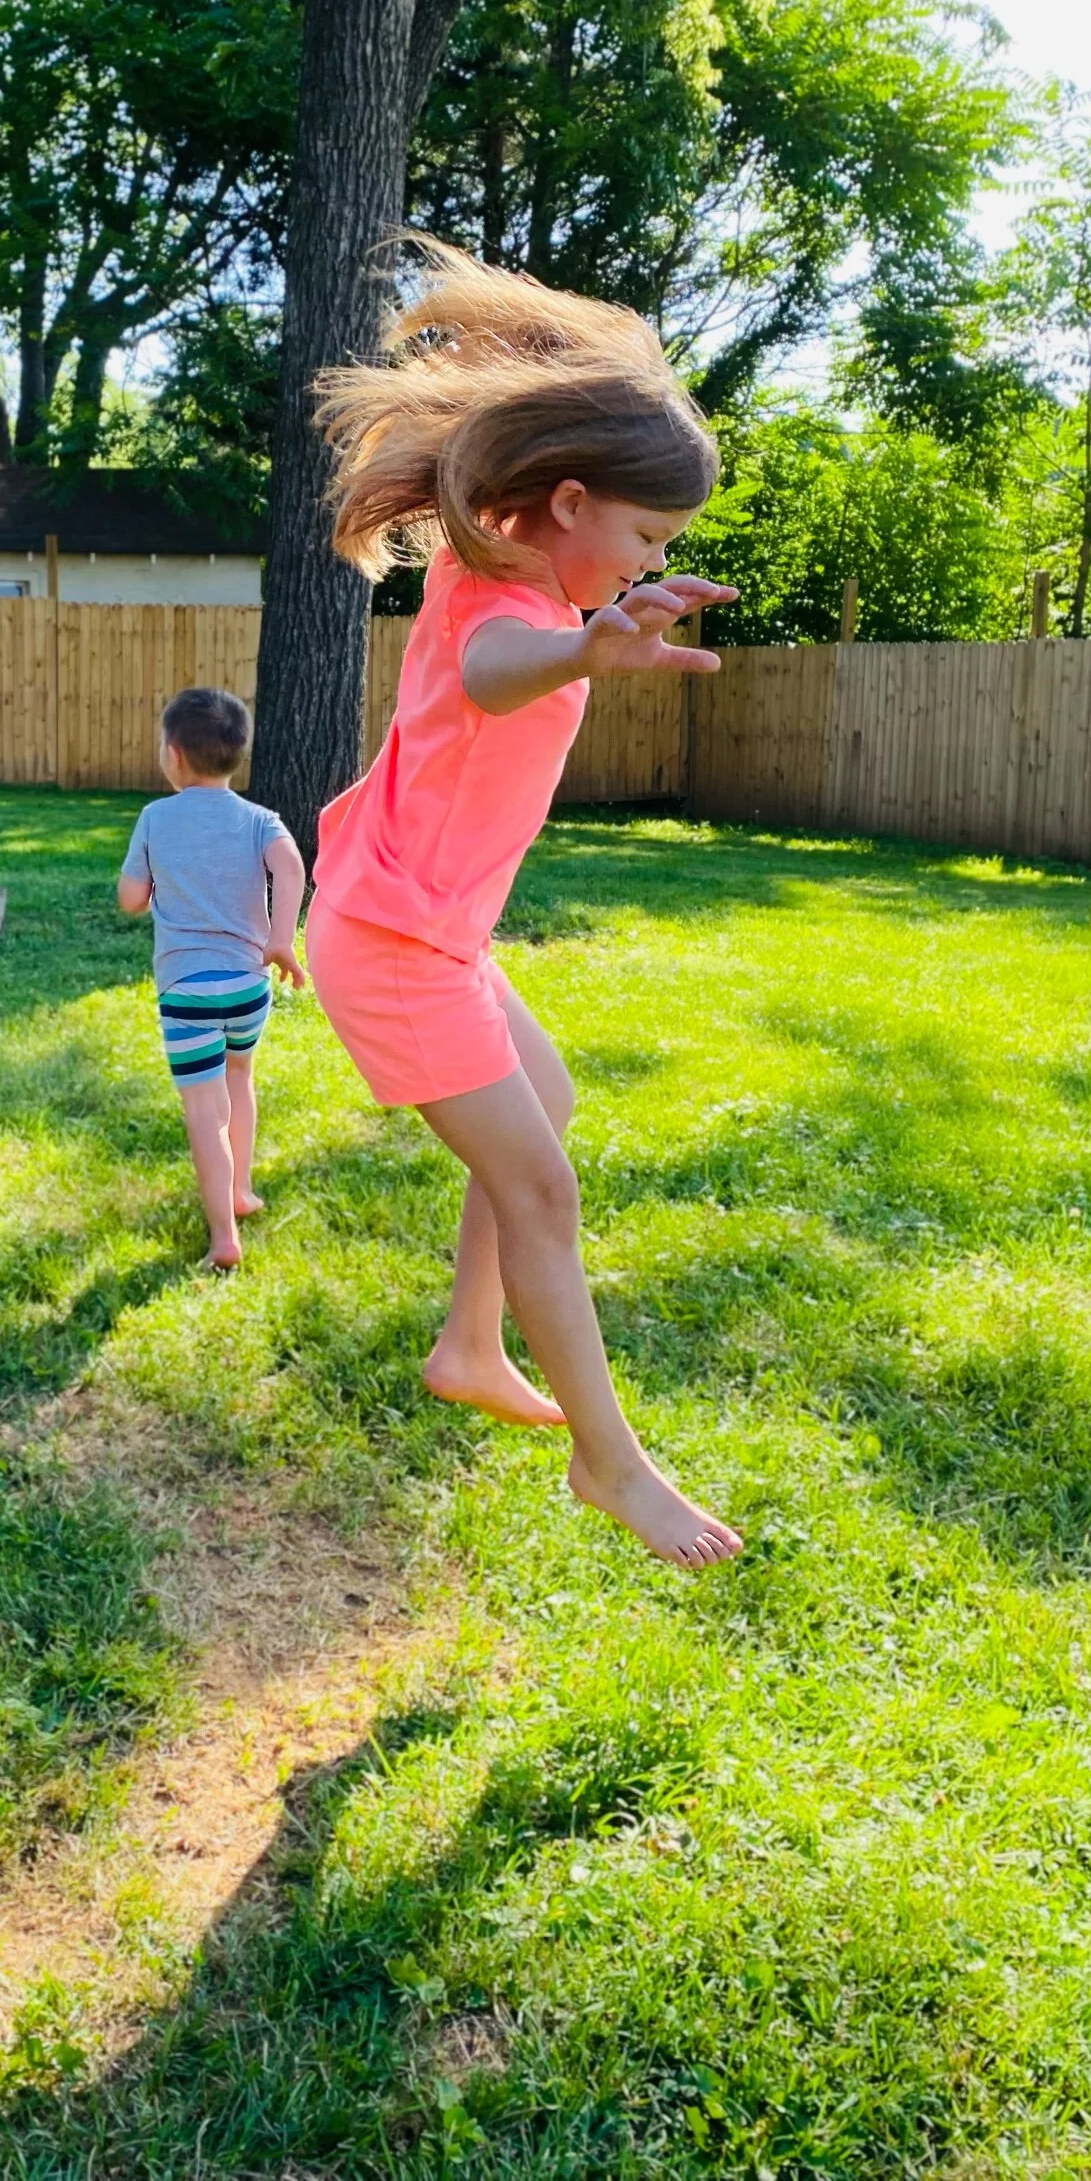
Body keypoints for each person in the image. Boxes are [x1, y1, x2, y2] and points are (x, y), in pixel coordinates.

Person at [304, 242, 744, 1569]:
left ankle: (466, 1344)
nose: (643, 566)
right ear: (562, 502)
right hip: (391, 947)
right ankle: (606, 1463)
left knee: (540, 1108)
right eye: (642, 539)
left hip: (423, 930)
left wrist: (594, 631)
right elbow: (498, 673)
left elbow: (529, 649)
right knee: (537, 1187)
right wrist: (586, 648)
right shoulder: (496, 608)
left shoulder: (516, 583)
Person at [119, 686, 307, 1268]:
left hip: (187, 990)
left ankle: (224, 1238)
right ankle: (241, 1191)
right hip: (250, 987)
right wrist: (281, 938)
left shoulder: (155, 817)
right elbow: (291, 863)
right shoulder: (259, 819)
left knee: (204, 1109)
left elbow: (131, 899)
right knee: (239, 1077)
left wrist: (149, 887)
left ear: (173, 753)